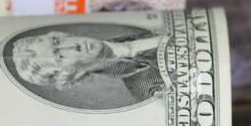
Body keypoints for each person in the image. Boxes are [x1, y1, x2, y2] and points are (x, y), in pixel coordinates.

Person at [10, 27, 165, 106]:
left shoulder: (135, 28)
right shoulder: (146, 87)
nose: (73, 47)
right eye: (60, 56)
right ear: (68, 72)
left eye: (57, 41)